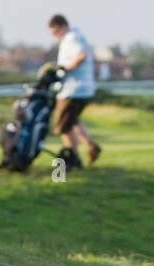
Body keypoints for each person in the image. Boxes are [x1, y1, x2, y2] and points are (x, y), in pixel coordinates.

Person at [47, 14, 101, 168]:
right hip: (84, 89)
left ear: (63, 26)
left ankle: (73, 158)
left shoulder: (71, 38)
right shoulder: (77, 36)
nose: (54, 36)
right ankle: (91, 145)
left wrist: (64, 68)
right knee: (72, 122)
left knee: (63, 126)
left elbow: (81, 56)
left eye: (55, 32)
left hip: (73, 90)